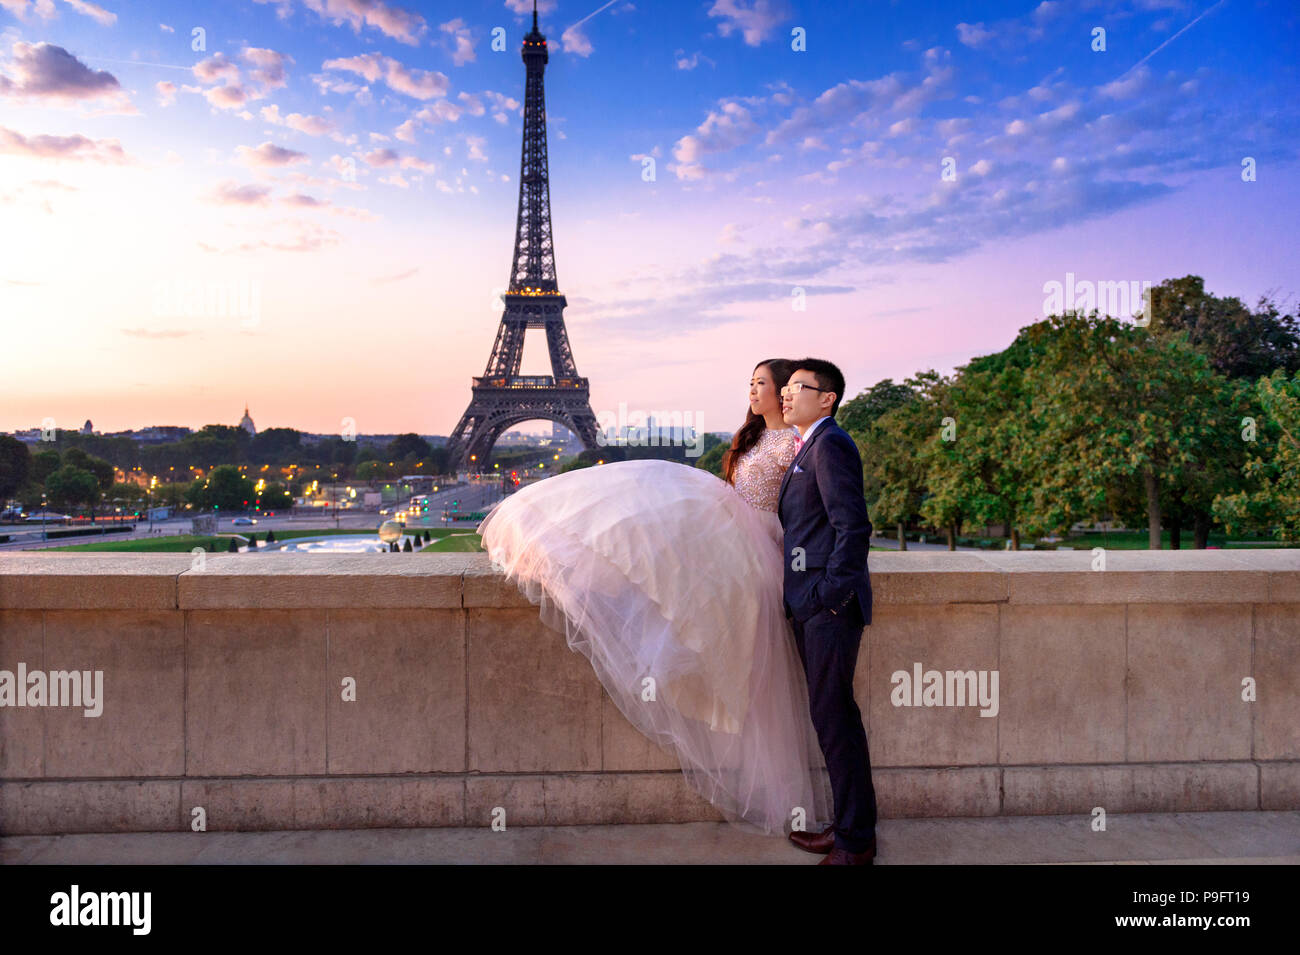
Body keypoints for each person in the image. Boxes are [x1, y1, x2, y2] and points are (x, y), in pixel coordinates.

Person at [476, 359, 834, 841]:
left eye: (766, 384)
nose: (757, 391)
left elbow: (806, 509)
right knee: (642, 524)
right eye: (753, 383)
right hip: (731, 527)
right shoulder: (751, 438)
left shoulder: (800, 444)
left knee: (674, 573)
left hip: (754, 544)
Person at [778, 358, 878, 865]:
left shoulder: (831, 444)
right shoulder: (808, 446)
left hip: (828, 610)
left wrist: (828, 599)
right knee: (831, 718)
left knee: (836, 720)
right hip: (812, 605)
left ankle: (856, 843)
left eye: (799, 387)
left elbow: (852, 527)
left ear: (827, 399)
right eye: (786, 386)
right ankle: (847, 830)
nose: (786, 394)